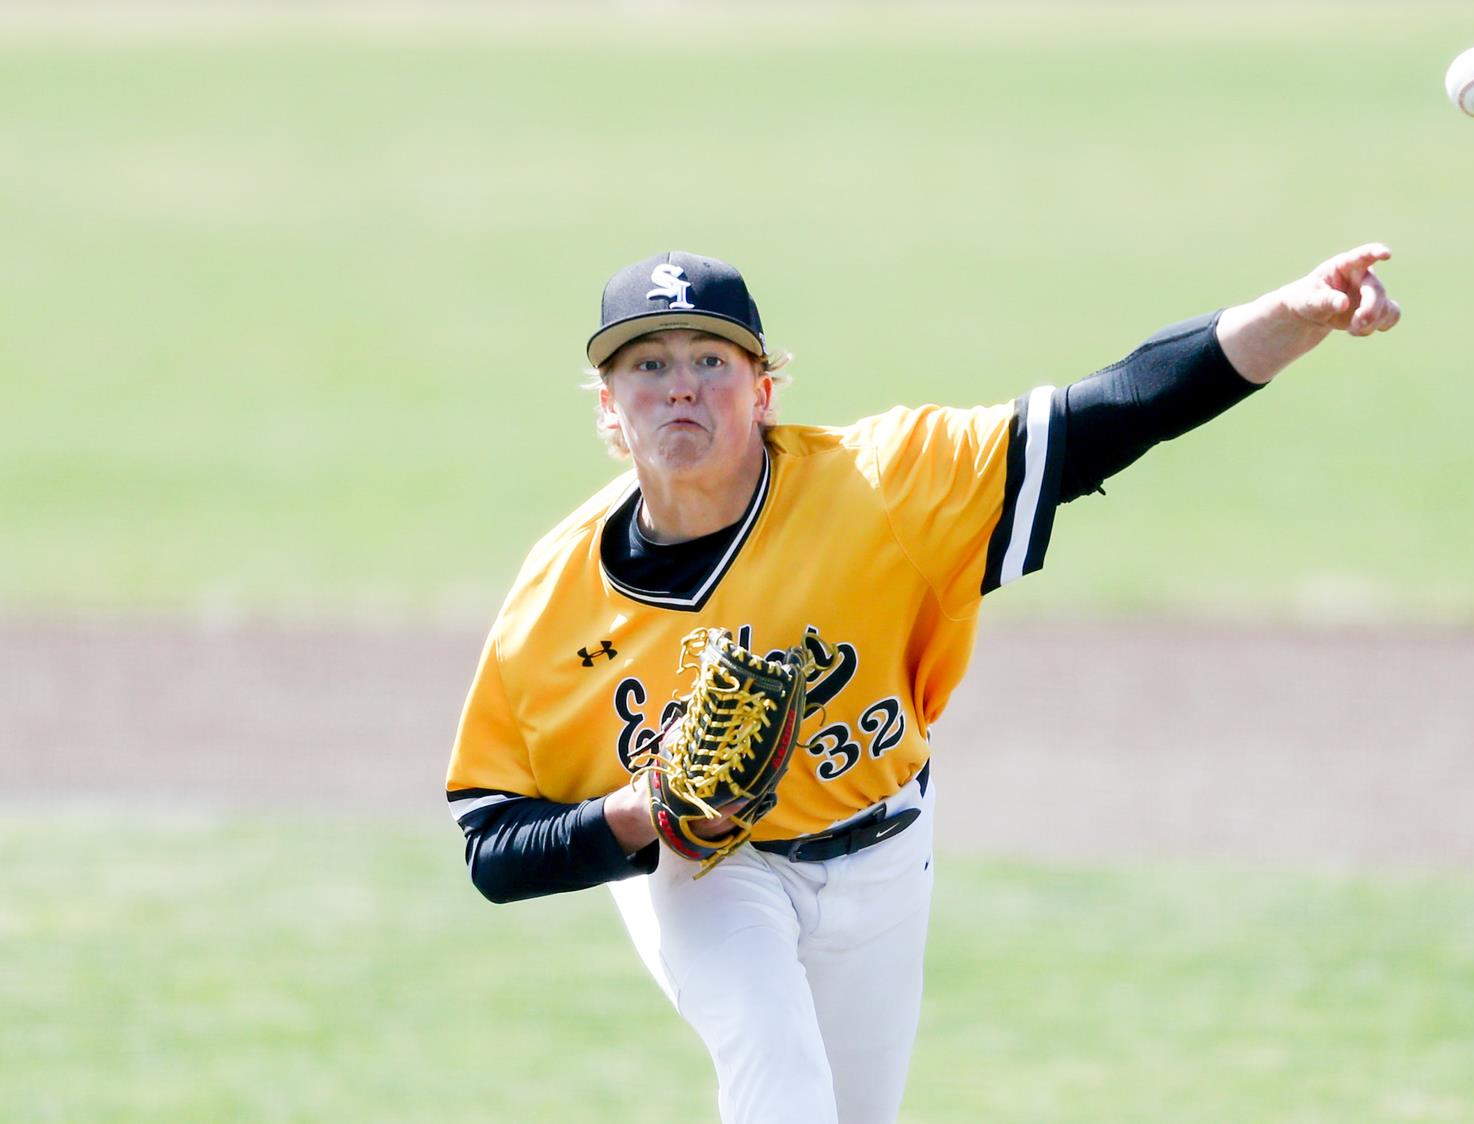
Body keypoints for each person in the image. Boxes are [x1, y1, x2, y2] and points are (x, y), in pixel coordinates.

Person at [444, 244, 1401, 1122]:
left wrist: (1291, 315)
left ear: (764, 389)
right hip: (708, 872)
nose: (680, 389)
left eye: (710, 361)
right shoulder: (554, 605)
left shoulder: (880, 486)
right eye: (647, 366)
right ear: (609, 410)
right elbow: (493, 849)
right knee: (778, 1083)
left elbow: (1113, 411)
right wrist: (647, 811)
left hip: (885, 849)